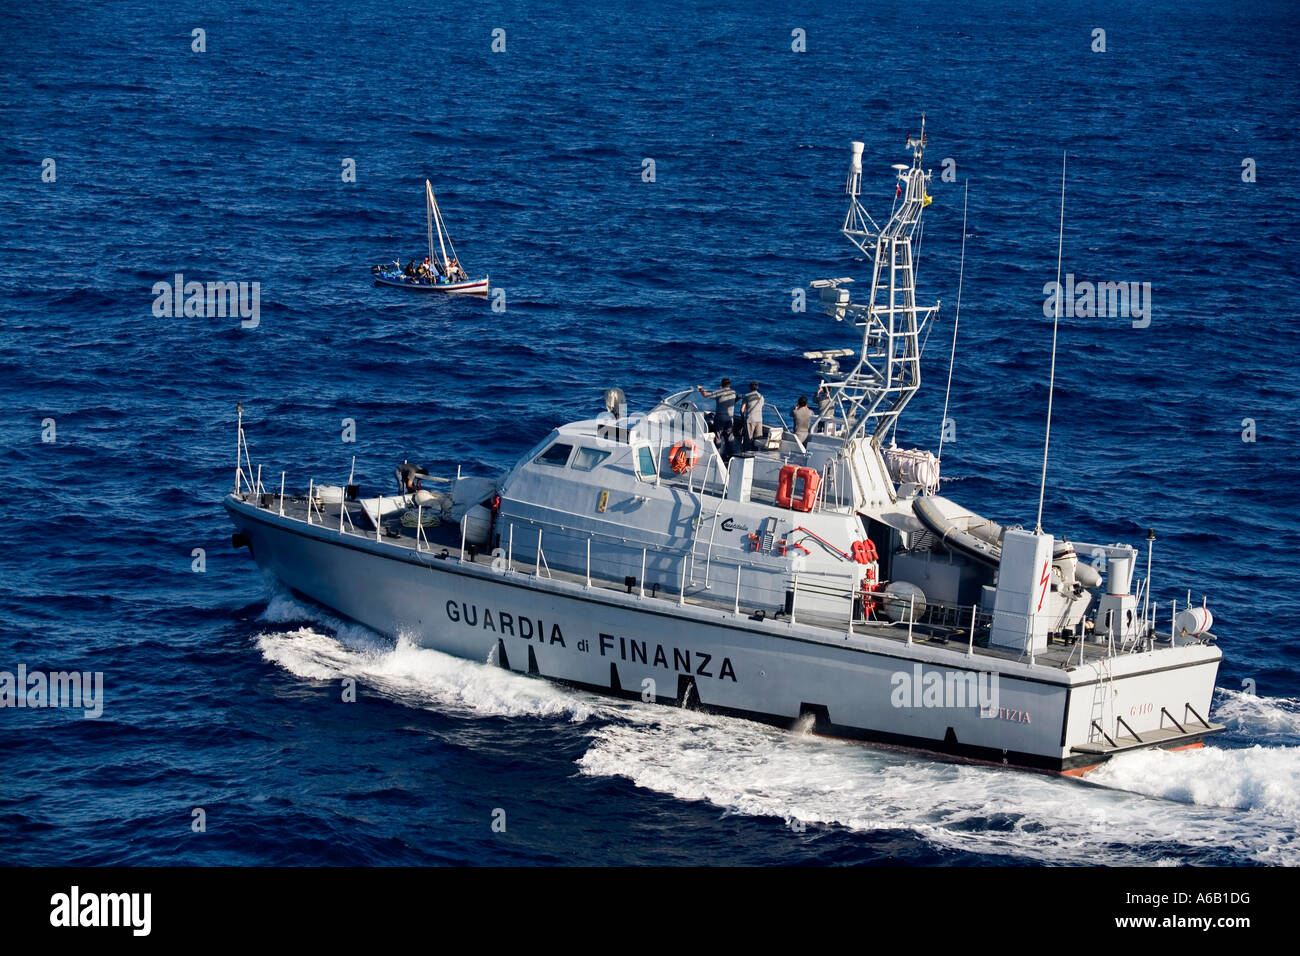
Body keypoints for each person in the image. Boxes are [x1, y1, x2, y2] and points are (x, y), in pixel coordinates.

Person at [697, 378, 737, 453]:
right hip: (730, 419)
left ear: (722, 384)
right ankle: (732, 454)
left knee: (718, 437)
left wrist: (700, 389)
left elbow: (705, 395)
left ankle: (717, 455)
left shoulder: (719, 392)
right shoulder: (733, 393)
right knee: (730, 438)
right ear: (729, 385)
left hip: (720, 418)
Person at [740, 381, 765, 448]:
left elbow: (742, 410)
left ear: (750, 387)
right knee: (758, 440)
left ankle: (747, 453)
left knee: (748, 439)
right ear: (757, 387)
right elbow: (761, 407)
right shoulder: (761, 397)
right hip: (759, 420)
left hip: (750, 420)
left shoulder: (747, 396)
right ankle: (757, 454)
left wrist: (743, 419)